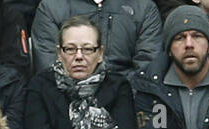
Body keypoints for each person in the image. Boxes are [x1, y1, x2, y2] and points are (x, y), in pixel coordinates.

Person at [23, 17, 137, 129]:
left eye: (87, 49)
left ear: (100, 53)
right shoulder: (40, 85)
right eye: (70, 49)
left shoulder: (118, 86)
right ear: (59, 53)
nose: (78, 57)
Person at [30, 0, 163, 76]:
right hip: (66, 100)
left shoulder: (144, 7)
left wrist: (120, 93)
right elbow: (48, 68)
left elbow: (148, 67)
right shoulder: (51, 7)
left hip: (127, 97)